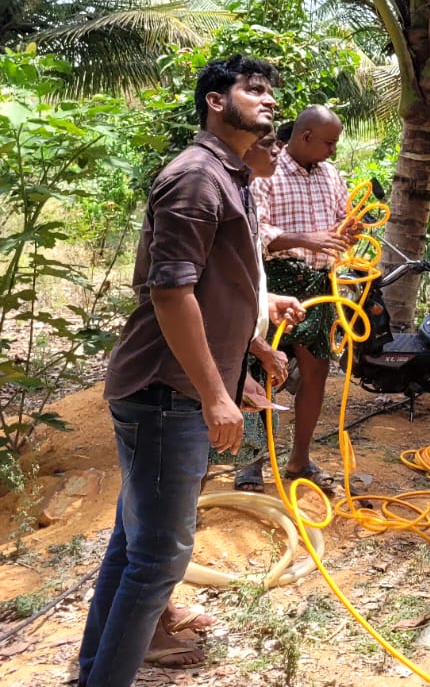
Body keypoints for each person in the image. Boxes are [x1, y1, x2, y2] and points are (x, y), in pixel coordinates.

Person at [78, 56, 306, 687]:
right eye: (252, 90)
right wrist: (215, 395)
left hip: (175, 390)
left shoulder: (230, 176)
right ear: (214, 101)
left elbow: (217, 289)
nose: (267, 101)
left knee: (135, 545)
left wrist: (249, 360)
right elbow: (170, 293)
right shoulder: (197, 177)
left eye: (269, 92)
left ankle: (96, 669)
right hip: (164, 393)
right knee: (158, 557)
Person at [235, 106, 352, 492]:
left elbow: (340, 221)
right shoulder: (267, 172)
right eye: (329, 142)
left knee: (316, 371)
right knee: (257, 370)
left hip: (320, 283)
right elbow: (257, 230)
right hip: (277, 279)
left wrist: (348, 231)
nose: (333, 151)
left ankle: (299, 459)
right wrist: (305, 238)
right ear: (305, 138)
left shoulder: (332, 175)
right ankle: (250, 461)